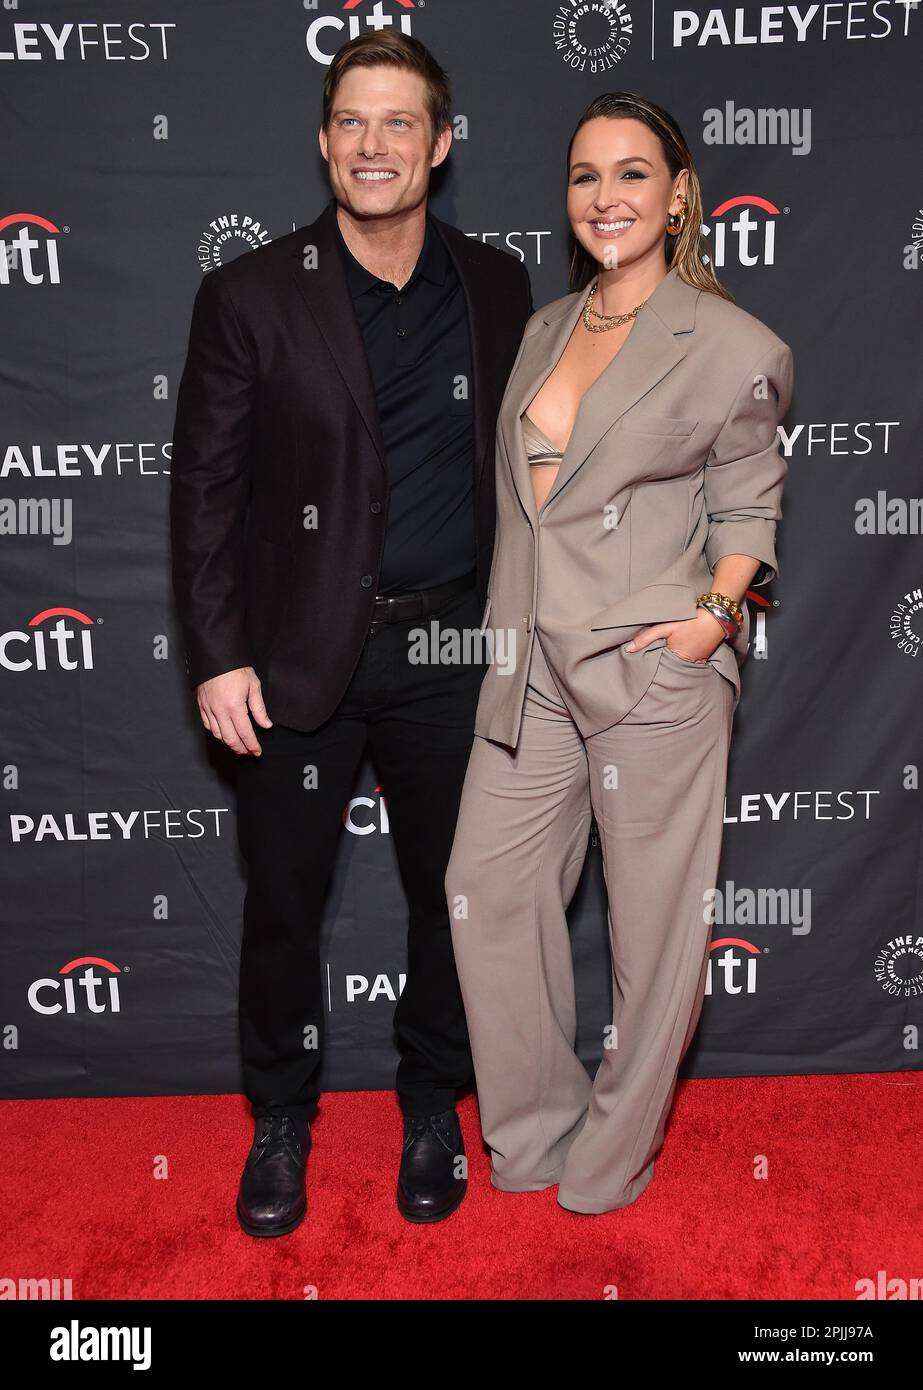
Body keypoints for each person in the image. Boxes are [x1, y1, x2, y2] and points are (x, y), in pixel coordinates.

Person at [169, 31, 532, 1236]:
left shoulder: (494, 286)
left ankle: (433, 1101)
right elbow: (206, 491)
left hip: (450, 651)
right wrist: (218, 652)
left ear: (440, 145)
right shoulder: (251, 293)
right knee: (283, 899)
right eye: (352, 123)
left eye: (399, 124)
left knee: (453, 899)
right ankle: (281, 1119)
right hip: (293, 659)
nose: (374, 146)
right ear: (325, 142)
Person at [446, 92, 794, 1215]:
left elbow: (749, 505)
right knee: (483, 889)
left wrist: (708, 618)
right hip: (529, 667)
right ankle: (536, 1128)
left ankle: (610, 1157)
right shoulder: (547, 326)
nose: (606, 197)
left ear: (678, 193)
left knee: (652, 939)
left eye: (632, 174)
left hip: (650, 666)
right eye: (586, 176)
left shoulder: (732, 342)